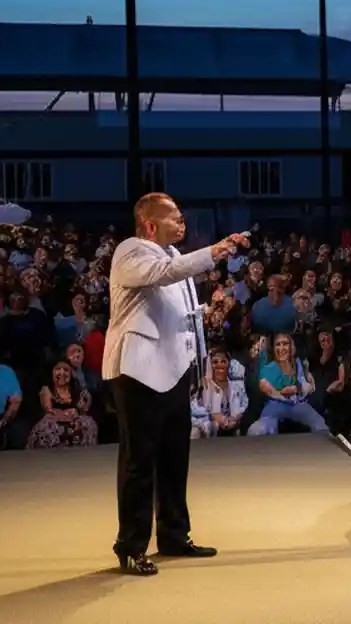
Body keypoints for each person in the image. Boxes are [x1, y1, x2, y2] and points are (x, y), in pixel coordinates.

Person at [104, 192, 248, 576]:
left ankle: (174, 535)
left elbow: (177, 308)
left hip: (173, 369)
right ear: (151, 225)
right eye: (175, 218)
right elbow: (161, 276)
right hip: (138, 371)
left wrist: (206, 310)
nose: (182, 223)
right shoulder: (131, 251)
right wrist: (214, 251)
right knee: (139, 463)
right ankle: (131, 546)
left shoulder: (171, 258)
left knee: (174, 459)